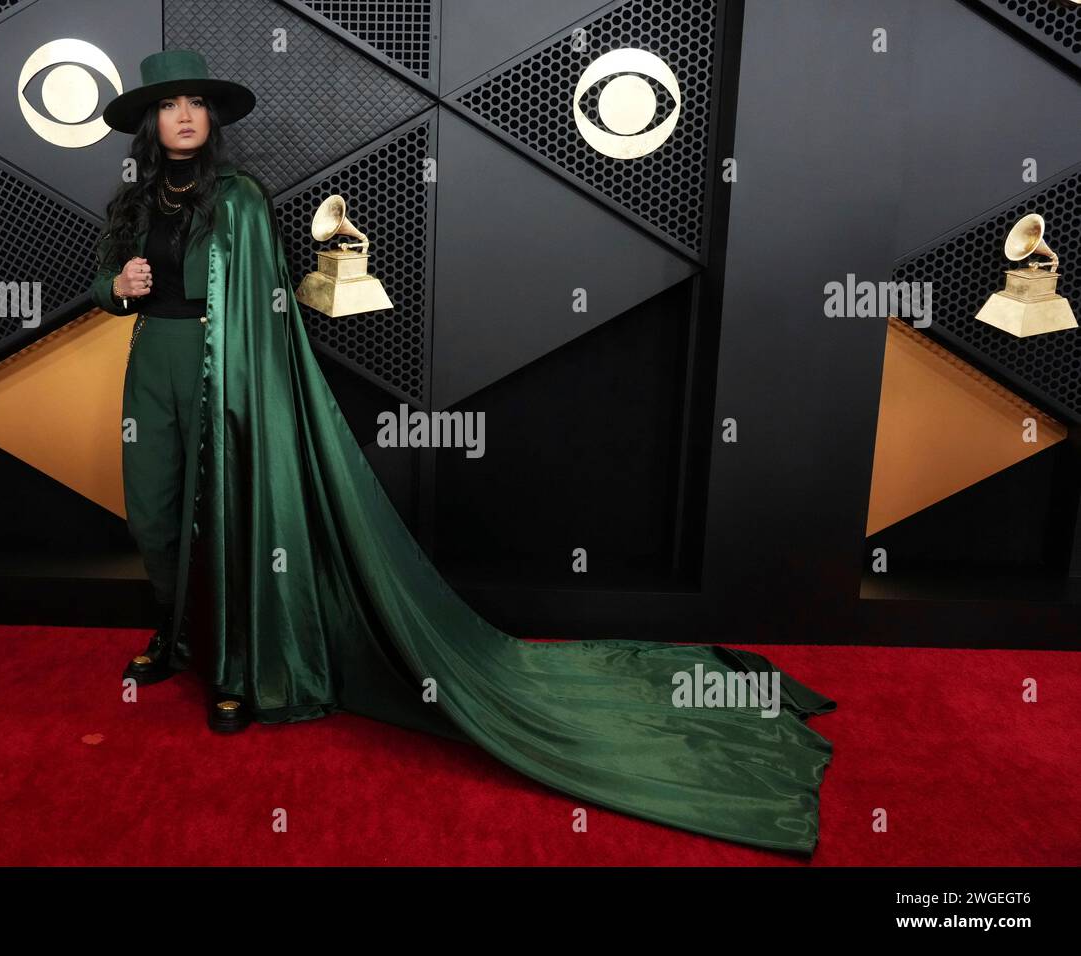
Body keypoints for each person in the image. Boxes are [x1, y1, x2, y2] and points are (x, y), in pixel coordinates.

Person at [90, 50, 837, 853]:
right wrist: (116, 289)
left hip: (227, 375)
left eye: (197, 102)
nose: (185, 117)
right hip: (152, 368)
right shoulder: (131, 205)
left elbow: (263, 310)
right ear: (149, 122)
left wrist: (243, 389)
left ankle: (236, 673)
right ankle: (175, 639)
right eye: (170, 106)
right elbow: (103, 284)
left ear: (213, 118)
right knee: (156, 511)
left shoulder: (238, 200)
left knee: (232, 513)